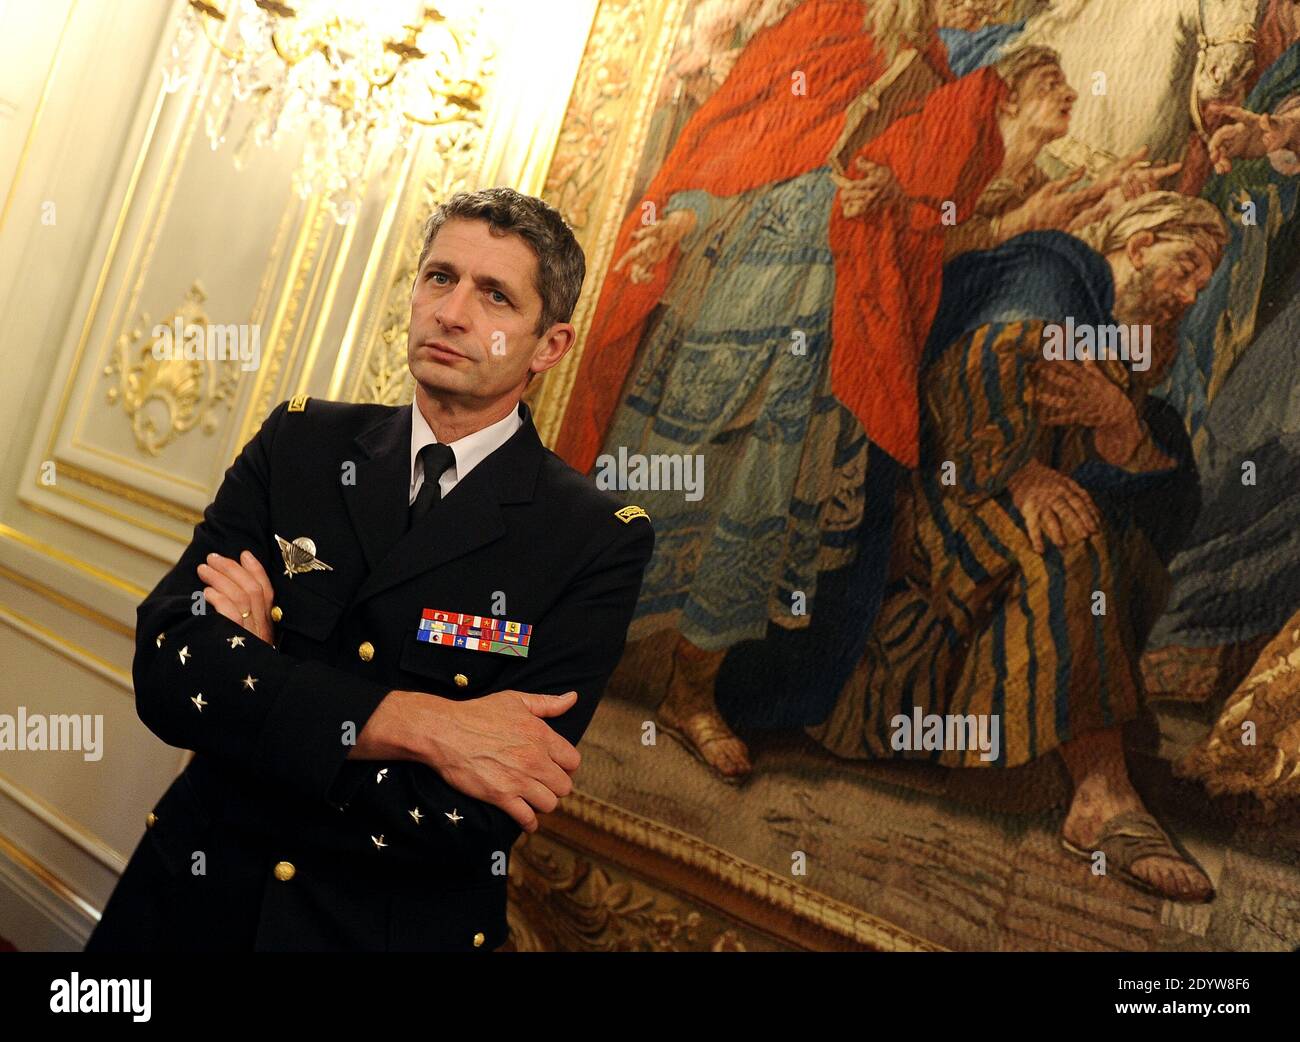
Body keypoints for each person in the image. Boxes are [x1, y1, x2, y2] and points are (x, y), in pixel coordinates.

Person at [85, 188, 655, 951]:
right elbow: (169, 672)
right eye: (440, 277)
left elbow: (470, 816)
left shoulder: (593, 539)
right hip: (182, 907)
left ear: (548, 346)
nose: (452, 312)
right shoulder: (299, 444)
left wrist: (258, 684)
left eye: (495, 296)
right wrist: (427, 725)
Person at [808, 191, 1229, 902]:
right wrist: (1018, 473)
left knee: (1108, 547)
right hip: (949, 495)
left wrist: (1120, 427)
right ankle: (1103, 798)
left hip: (1015, 498)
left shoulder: (1120, 332)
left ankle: (1064, 761)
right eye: (1184, 268)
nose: (1188, 293)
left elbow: (1134, 472)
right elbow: (964, 371)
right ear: (1139, 242)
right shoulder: (1050, 273)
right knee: (1069, 541)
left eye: (1200, 283)